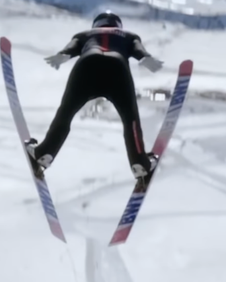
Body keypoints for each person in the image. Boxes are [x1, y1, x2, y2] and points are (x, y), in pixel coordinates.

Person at [28, 11, 165, 179]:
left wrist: (61, 56)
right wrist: (146, 59)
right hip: (117, 69)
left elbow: (70, 49)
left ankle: (44, 153)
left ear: (96, 25)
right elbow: (139, 50)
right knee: (131, 121)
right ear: (118, 25)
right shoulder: (129, 35)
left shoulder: (84, 34)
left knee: (66, 113)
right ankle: (140, 163)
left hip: (87, 66)